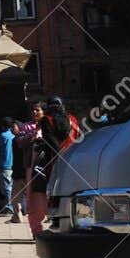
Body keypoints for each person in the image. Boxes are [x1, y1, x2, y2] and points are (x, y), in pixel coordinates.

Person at [29, 97, 78, 235]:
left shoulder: (46, 120)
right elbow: (79, 137)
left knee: (53, 191)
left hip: (54, 160)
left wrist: (58, 155)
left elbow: (50, 141)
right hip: (72, 159)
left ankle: (57, 222)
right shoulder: (72, 119)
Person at [0, 119, 16, 217]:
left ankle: (9, 207)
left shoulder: (3, 136)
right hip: (14, 165)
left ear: (3, 126)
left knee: (6, 187)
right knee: (12, 187)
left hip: (5, 165)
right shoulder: (13, 135)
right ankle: (14, 206)